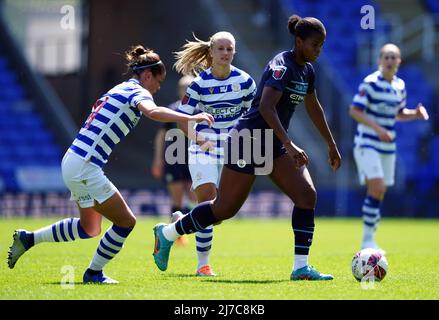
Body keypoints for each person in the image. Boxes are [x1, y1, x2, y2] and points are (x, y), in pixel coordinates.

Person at [152, 15, 342, 281]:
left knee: (306, 195)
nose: (318, 51)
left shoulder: (307, 71)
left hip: (273, 141)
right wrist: (288, 144)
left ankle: (301, 267)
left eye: (321, 46)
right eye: (314, 45)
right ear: (299, 41)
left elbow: (313, 106)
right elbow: (265, 107)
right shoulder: (281, 66)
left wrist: (331, 144)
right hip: (249, 140)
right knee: (223, 209)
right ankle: (168, 233)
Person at [7, 45, 214, 284]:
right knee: (126, 222)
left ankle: (28, 239)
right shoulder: (138, 91)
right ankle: (94, 273)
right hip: (85, 165)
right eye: (158, 81)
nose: (158, 87)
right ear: (147, 76)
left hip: (74, 160)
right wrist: (191, 117)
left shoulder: (121, 88)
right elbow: (153, 112)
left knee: (90, 228)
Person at [172, 31, 257, 276]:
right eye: (220, 49)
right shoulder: (198, 85)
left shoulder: (245, 82)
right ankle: (203, 265)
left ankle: (180, 225)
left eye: (229, 49)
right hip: (203, 149)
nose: (225, 53)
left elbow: (252, 116)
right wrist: (200, 140)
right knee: (208, 201)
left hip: (231, 151)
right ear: (210, 52)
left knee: (217, 214)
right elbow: (182, 120)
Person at [349, 43, 429, 252]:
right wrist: (377, 129)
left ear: (399, 61)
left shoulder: (399, 86)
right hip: (368, 141)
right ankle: (367, 241)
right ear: (379, 60)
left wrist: (415, 115)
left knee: (379, 191)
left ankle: (371, 238)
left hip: (387, 145)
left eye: (394, 57)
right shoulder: (370, 83)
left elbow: (398, 113)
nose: (390, 60)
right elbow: (355, 110)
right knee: (377, 186)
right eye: (386, 56)